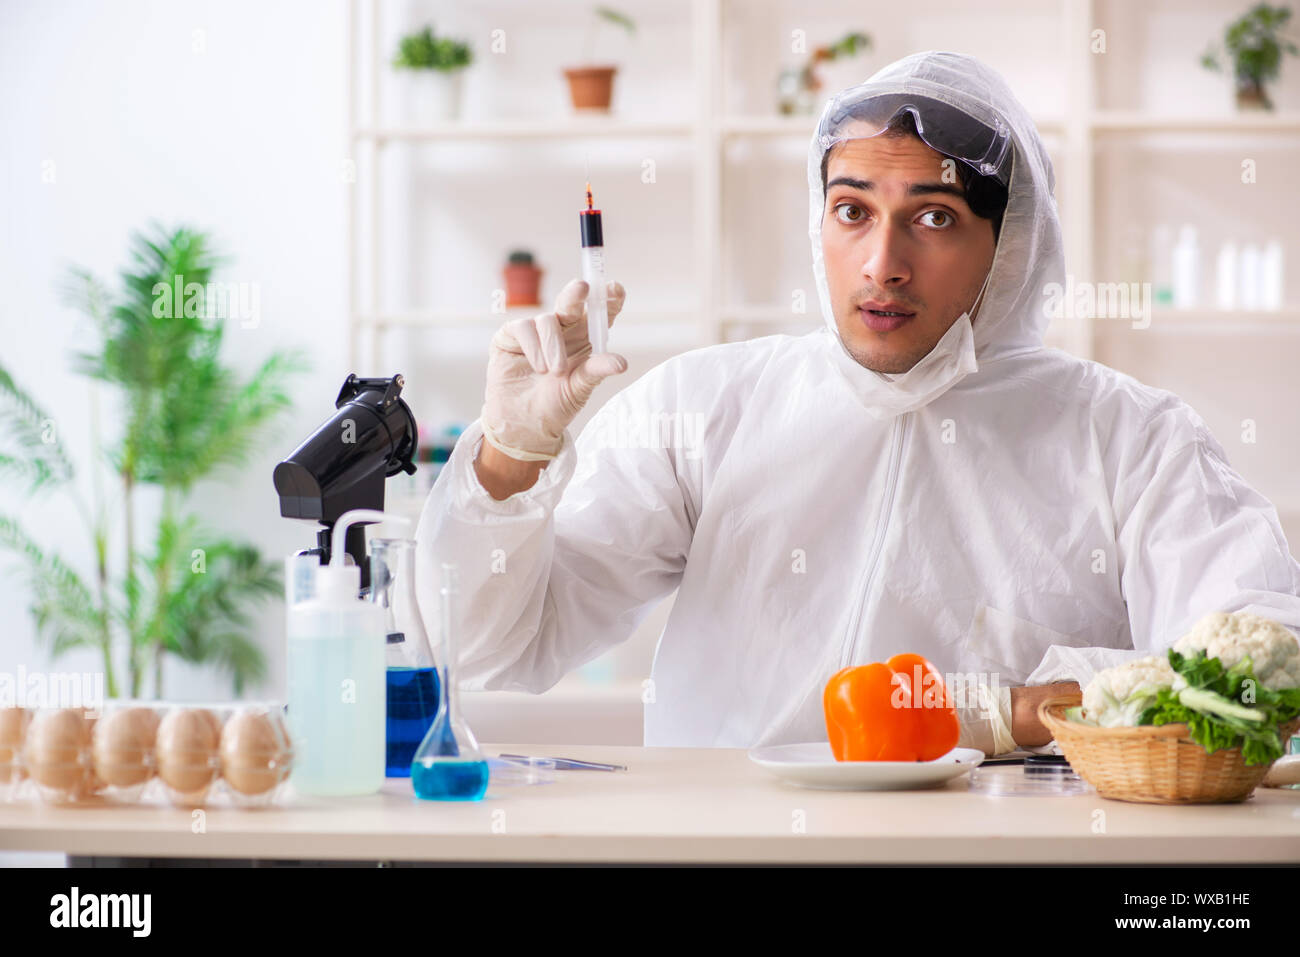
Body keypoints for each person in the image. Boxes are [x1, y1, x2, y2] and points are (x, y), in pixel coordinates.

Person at [414, 51, 1300, 754]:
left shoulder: (1128, 438)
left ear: (1013, 242)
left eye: (935, 216)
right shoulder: (709, 405)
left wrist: (1013, 712)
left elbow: (1267, 667)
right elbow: (498, 648)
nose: (882, 262)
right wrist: (509, 457)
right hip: (730, 858)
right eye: (851, 211)